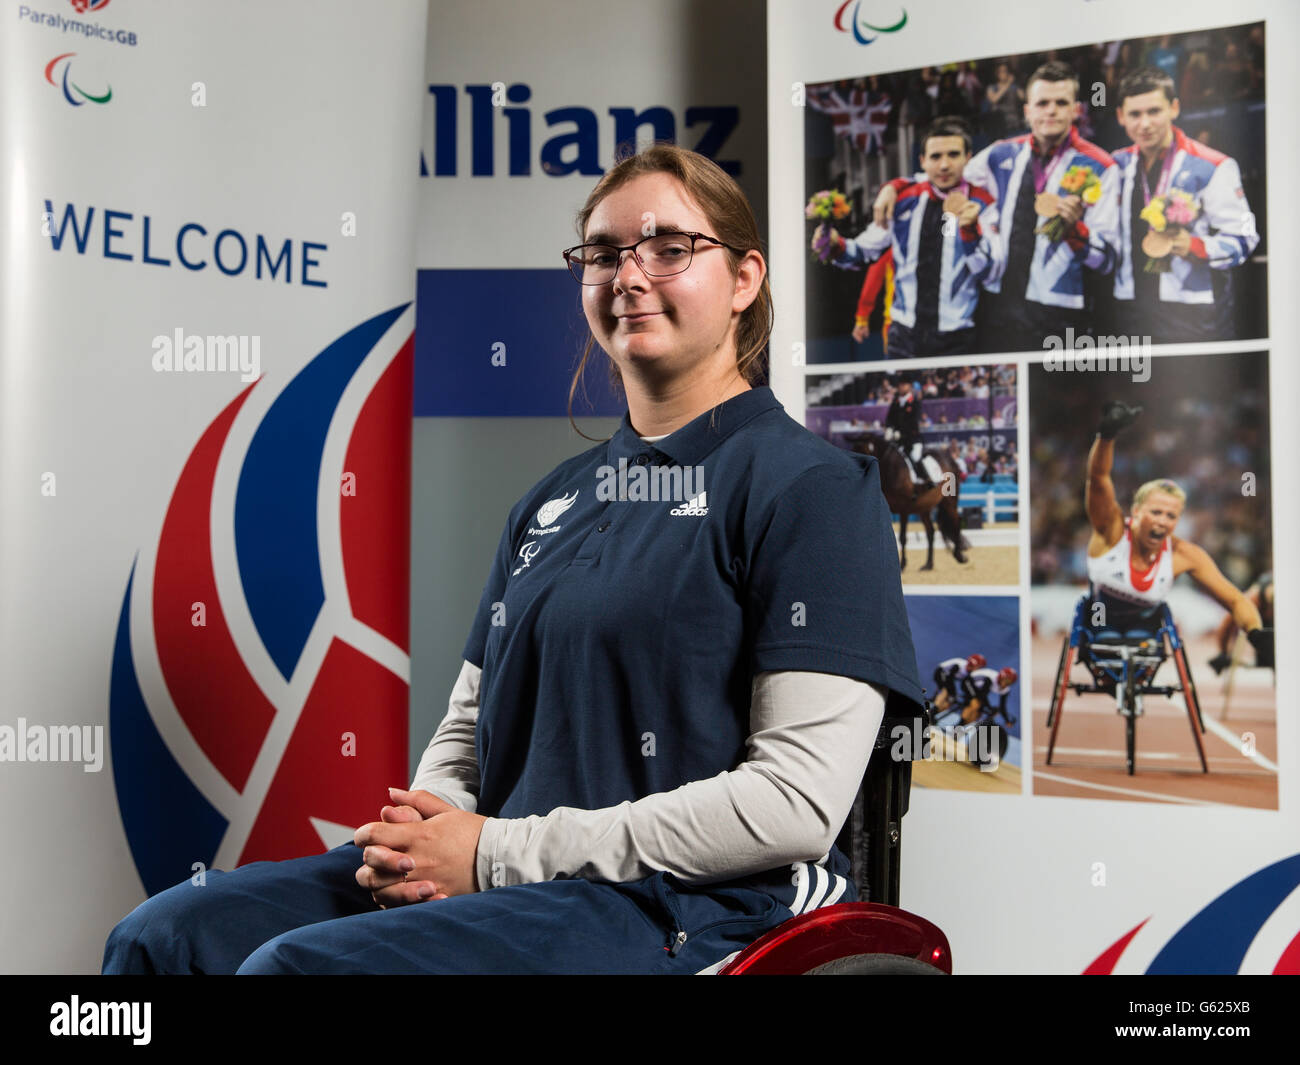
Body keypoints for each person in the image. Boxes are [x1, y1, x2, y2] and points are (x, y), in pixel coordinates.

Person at [102, 145, 926, 976]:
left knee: (296, 970)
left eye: (669, 248)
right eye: (604, 254)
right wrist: (429, 835)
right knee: (164, 937)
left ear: (744, 279)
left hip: (688, 906)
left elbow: (792, 805)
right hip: (505, 880)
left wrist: (496, 851)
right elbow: (466, 726)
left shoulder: (813, 490)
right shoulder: (553, 499)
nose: (629, 276)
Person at [878, 62, 1120, 354]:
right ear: (1027, 110)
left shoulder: (1101, 165)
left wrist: (1075, 230)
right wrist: (895, 186)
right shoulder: (1001, 153)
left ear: (1076, 110)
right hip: (999, 309)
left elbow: (1107, 261)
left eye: (1061, 102)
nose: (1051, 110)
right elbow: (945, 176)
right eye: (1042, 103)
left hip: (1061, 313)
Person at [1083, 401, 1269, 659]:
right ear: (1136, 512)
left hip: (1144, 625)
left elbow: (1235, 600)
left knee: (1143, 643)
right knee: (1107, 638)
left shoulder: (1185, 554)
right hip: (1099, 618)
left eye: (1171, 516)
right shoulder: (1111, 531)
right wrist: (1106, 436)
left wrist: (1256, 634)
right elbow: (1099, 480)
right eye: (1156, 512)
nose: (1162, 521)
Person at [816, 118, 999, 357]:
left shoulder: (984, 204)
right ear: (922, 161)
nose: (944, 165)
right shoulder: (903, 200)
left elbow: (989, 273)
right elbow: (863, 251)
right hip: (903, 336)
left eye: (953, 155)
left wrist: (970, 231)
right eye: (935, 157)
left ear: (968, 157)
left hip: (957, 337)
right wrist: (835, 246)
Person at [1108, 67, 1259, 342]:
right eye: (1135, 114)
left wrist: (1195, 246)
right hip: (1130, 310)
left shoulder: (1213, 165)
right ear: (1120, 116)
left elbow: (1245, 238)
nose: (1145, 124)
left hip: (1192, 314)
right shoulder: (1114, 165)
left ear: (1174, 108)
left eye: (1154, 111)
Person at [884, 377, 941, 494]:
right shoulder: (895, 402)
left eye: (904, 385)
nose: (901, 387)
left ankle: (925, 480)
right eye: (899, 385)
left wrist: (901, 432)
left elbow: (914, 421)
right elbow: (889, 418)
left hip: (912, 439)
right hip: (897, 440)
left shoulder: (915, 402)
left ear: (909, 386)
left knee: (915, 456)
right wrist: (889, 428)